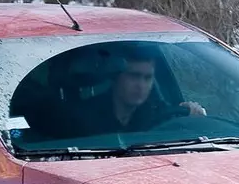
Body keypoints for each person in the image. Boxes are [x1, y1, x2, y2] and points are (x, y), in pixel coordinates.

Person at [72, 45, 205, 137]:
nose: (141, 85)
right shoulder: (85, 116)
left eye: (147, 78)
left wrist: (193, 119)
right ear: (116, 77)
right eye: (134, 76)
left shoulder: (160, 114)